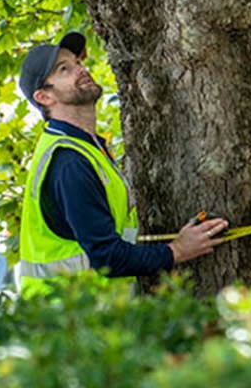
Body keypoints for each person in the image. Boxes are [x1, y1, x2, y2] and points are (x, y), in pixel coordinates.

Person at [17, 31, 226, 289]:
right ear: (44, 97)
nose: (81, 70)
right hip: (68, 318)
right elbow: (107, 257)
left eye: (78, 63)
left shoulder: (88, 148)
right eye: (64, 69)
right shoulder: (70, 162)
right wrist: (178, 251)